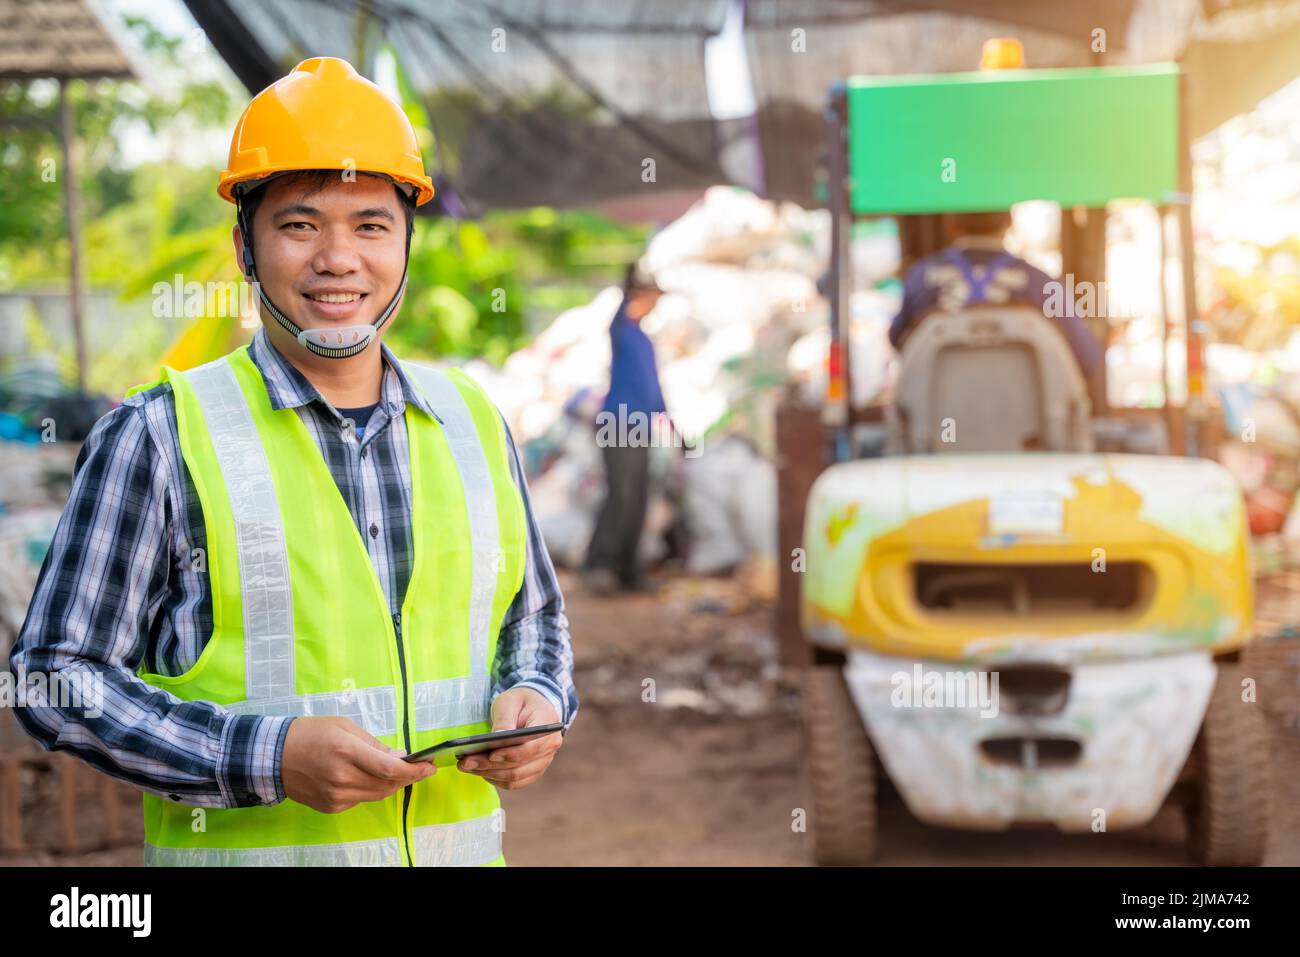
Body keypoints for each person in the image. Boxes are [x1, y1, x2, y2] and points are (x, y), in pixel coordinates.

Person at [8, 57, 576, 867]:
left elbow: (536, 619)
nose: (338, 258)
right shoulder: (159, 436)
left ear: (406, 243)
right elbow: (55, 677)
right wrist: (261, 756)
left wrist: (540, 697)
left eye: (371, 225)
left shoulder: (472, 420)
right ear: (246, 245)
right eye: (301, 224)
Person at [888, 211, 1103, 377]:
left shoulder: (919, 278)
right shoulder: (1042, 283)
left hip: (934, 431)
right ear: (1009, 221)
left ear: (951, 224)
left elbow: (898, 342)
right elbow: (1088, 359)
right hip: (1032, 430)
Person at [582, 261, 666, 595]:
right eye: (651, 296)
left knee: (638, 498)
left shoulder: (643, 338)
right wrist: (631, 275)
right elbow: (620, 311)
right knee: (621, 495)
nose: (655, 303)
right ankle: (599, 566)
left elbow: (654, 389)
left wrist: (671, 423)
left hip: (639, 425)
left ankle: (629, 569)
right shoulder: (622, 329)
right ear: (637, 294)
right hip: (618, 422)